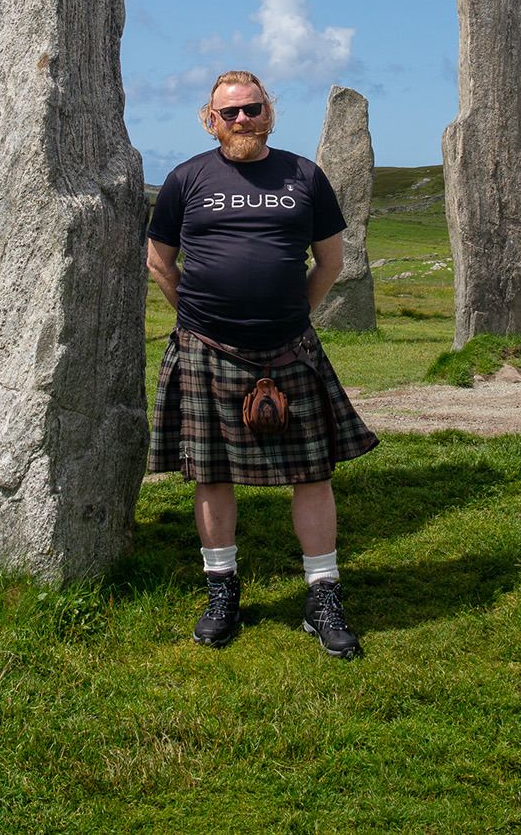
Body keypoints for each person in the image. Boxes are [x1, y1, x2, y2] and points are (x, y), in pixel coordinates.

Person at [146, 69, 379, 657]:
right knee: (211, 473)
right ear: (211, 119)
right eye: (230, 112)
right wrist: (198, 317)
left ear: (268, 112)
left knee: (313, 472)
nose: (242, 119)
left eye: (252, 109)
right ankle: (221, 591)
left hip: (288, 346)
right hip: (206, 346)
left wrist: (291, 316)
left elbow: (331, 261)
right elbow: (159, 261)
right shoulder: (185, 179)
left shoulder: (304, 175)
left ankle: (322, 595)